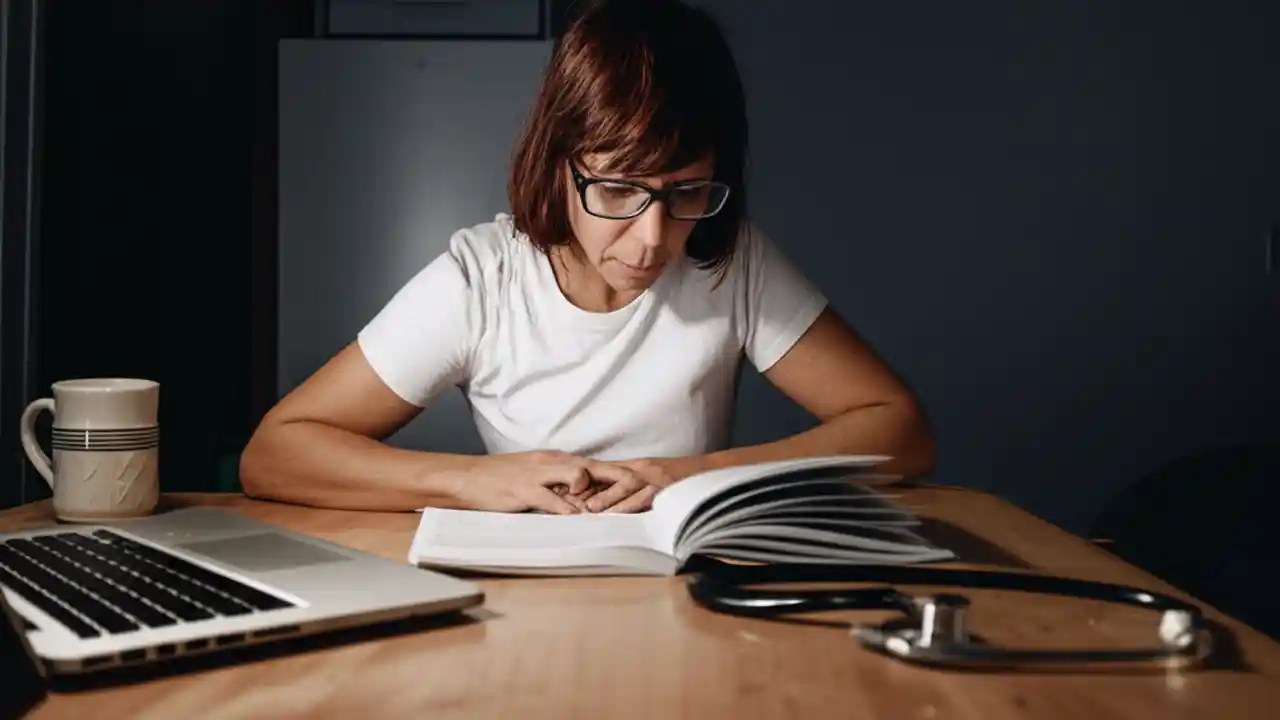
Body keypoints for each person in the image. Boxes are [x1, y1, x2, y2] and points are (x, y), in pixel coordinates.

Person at [239, 0, 935, 515]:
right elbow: (274, 453)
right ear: (558, 163)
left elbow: (899, 428)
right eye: (618, 189)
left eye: (686, 192)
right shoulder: (482, 279)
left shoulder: (732, 259)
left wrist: (691, 474)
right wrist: (471, 480)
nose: (652, 239)